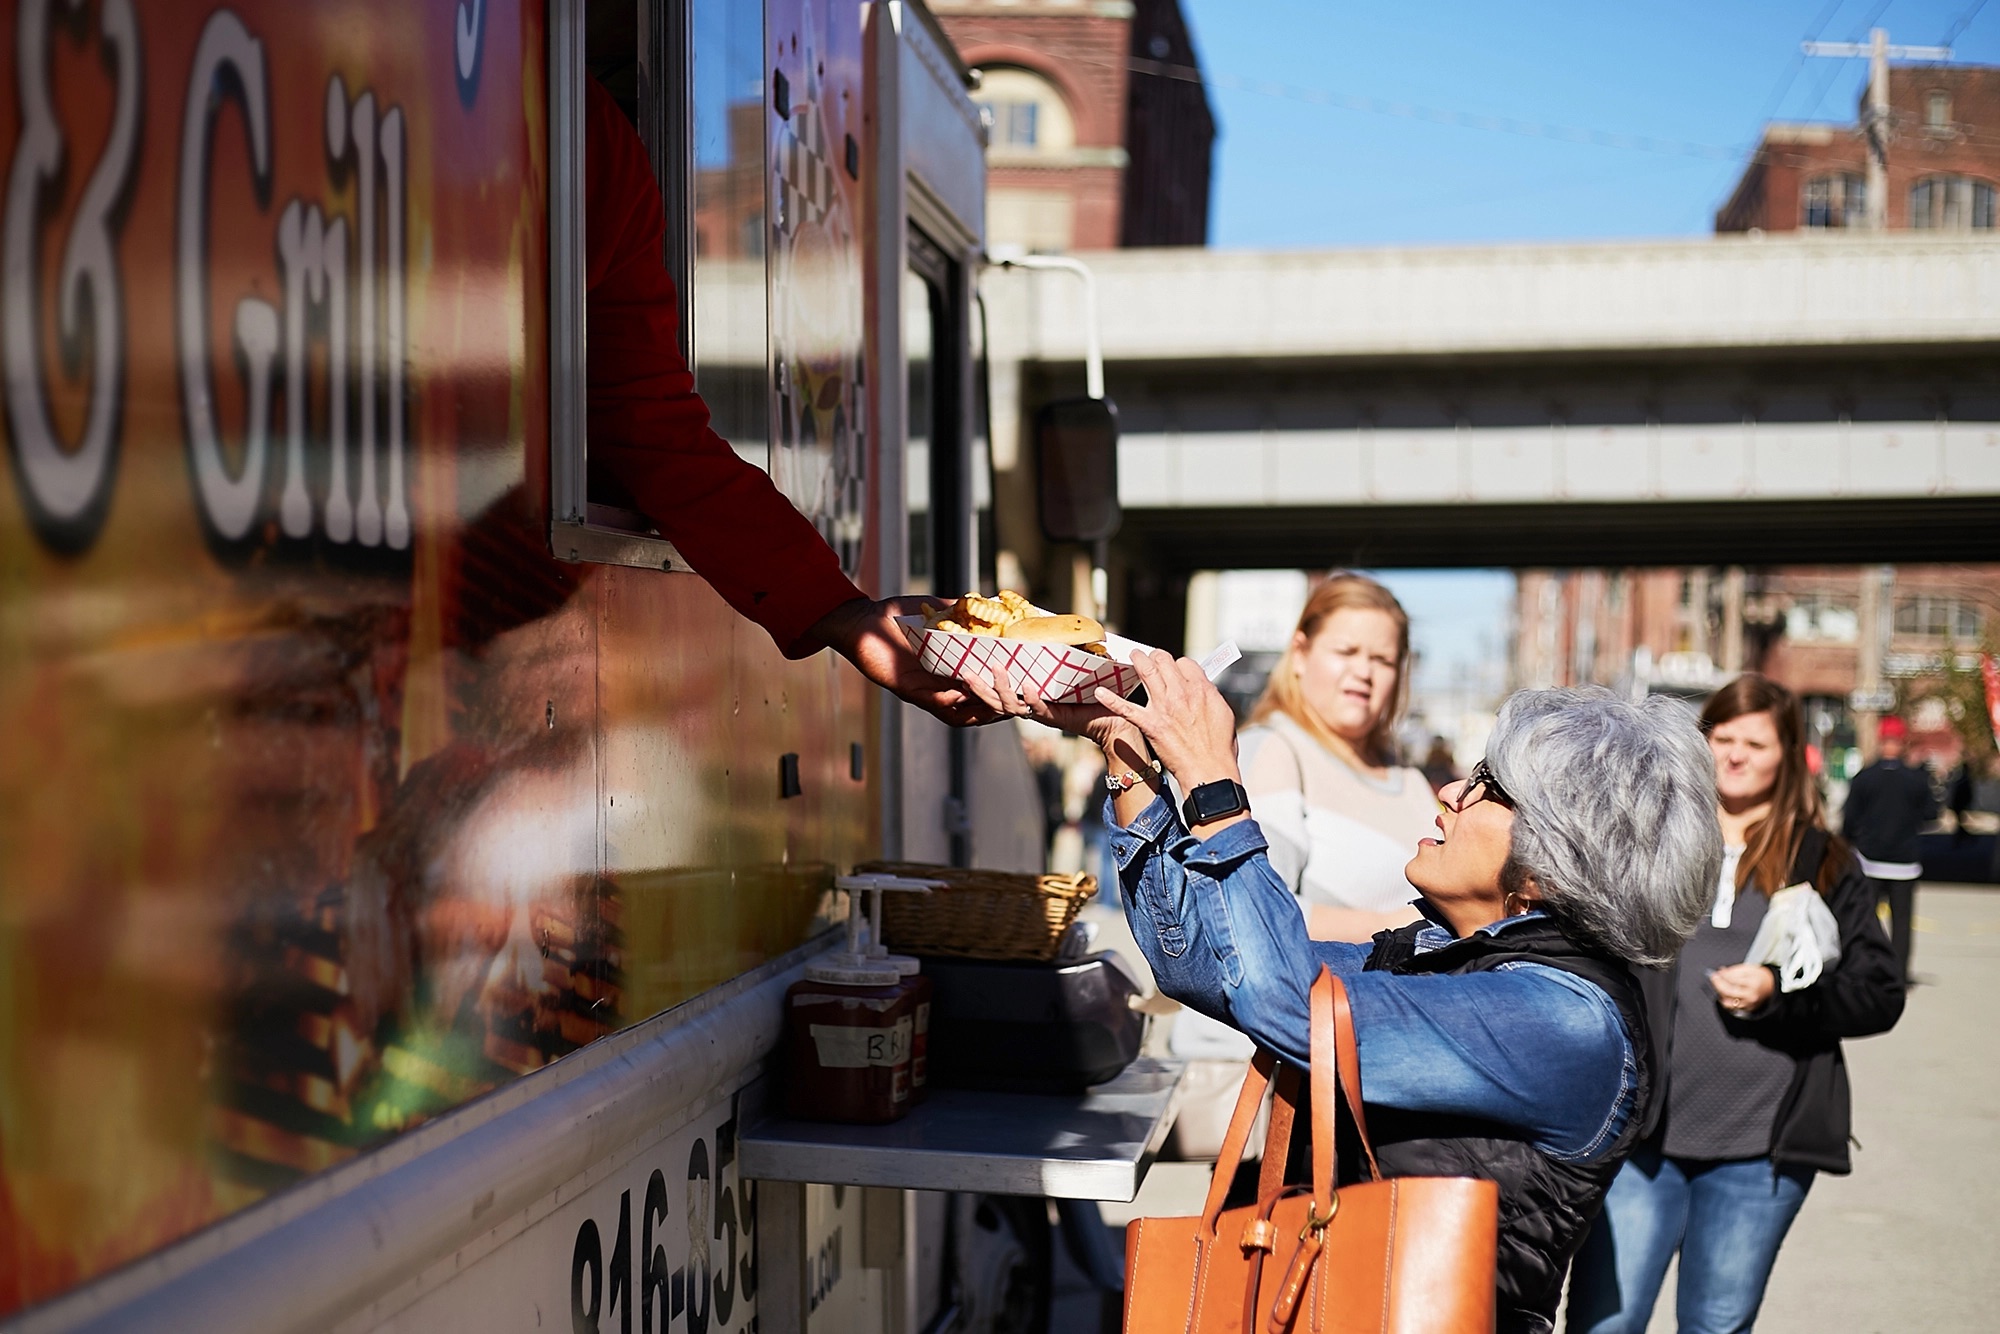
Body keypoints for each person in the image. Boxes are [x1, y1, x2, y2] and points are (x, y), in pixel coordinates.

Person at [969, 658, 1720, 1334]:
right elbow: (1206, 964)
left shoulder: (1568, 1020)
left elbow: (1283, 1000)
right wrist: (1127, 755)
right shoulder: (1443, 957)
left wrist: (1214, 784)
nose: (1452, 792)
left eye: (1489, 787)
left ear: (1555, 860)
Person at [583, 78, 994, 726]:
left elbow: (643, 420)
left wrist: (845, 614)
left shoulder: (591, 137)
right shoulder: (590, 133)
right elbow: (646, 423)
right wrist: (843, 614)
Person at [1567, 674, 1906, 1334]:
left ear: (1789, 754)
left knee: (1716, 1326)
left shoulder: (1823, 858)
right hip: (1641, 1140)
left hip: (1761, 1150)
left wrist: (1783, 994)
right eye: (1720, 736)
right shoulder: (1647, 836)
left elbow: (1879, 993)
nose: (1735, 753)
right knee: (1602, 1324)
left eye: (1755, 741)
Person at [1238, 574, 1441, 941]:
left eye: (1382, 660)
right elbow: (1253, 912)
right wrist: (1412, 932)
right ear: (1300, 654)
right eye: (1346, 652)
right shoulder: (1274, 748)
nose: (1363, 672)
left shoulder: (1409, 779)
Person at [1841, 715, 1937, 982]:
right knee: (1902, 923)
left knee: (1866, 919)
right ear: (1902, 742)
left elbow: (1849, 818)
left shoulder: (1864, 778)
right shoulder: (1917, 780)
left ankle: (1866, 968)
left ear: (1881, 740)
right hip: (1905, 862)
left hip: (1871, 859)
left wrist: (1852, 841)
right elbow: (1931, 814)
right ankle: (1898, 974)